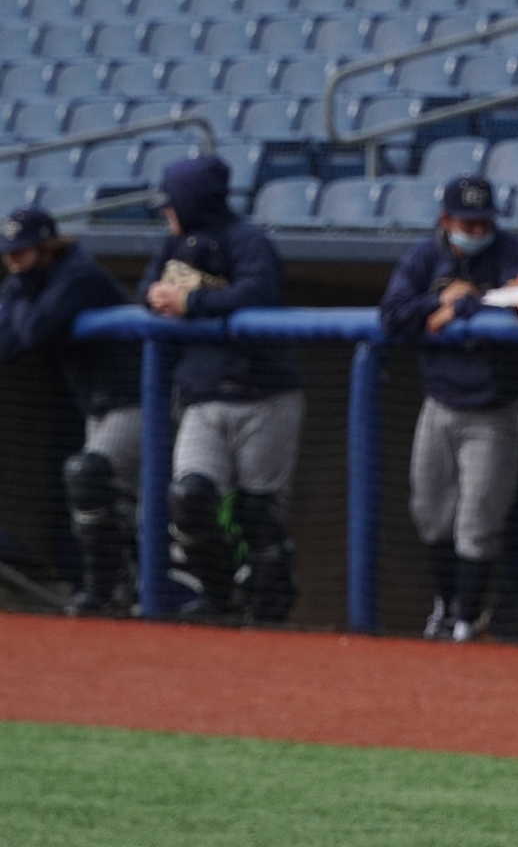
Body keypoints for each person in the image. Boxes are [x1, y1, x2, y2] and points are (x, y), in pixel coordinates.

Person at [142, 154, 305, 623]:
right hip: (204, 396)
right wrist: (163, 298)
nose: (166, 211)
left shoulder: (247, 240)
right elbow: (146, 291)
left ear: (194, 201)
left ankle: (271, 607)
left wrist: (191, 300)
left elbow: (256, 293)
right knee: (190, 498)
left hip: (264, 393)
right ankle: (222, 600)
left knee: (257, 515)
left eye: (172, 202)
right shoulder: (175, 242)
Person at [379, 175, 518, 642]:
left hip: (492, 409)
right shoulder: (427, 256)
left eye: (483, 219)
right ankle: (445, 607)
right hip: (439, 405)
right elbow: (392, 314)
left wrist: (464, 306)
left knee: (477, 521)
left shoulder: (510, 251)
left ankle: (467, 618)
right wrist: (438, 300)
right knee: (429, 511)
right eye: (467, 221)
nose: (476, 227)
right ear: (446, 220)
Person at [0, 207, 142, 615]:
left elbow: (33, 331)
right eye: (9, 253)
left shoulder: (79, 274)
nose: (13, 261)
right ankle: (114, 592)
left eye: (22, 252)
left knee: (90, 479)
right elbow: (6, 345)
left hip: (136, 401)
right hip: (98, 407)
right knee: (106, 500)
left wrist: (20, 298)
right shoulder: (26, 282)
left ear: (47, 248)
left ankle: (112, 591)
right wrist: (21, 296)